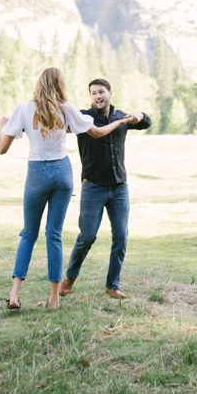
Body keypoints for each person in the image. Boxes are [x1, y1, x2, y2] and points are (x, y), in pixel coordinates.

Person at [0, 67, 130, 310]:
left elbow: (1, 148)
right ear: (60, 85)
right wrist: (120, 121)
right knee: (54, 234)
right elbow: (98, 132)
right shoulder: (66, 108)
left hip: (37, 172)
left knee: (29, 234)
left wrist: (2, 126)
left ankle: (14, 294)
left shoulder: (24, 109)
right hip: (62, 173)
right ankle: (54, 298)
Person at [60, 78, 151, 299]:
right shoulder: (83, 118)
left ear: (110, 93)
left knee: (121, 236)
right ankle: (69, 277)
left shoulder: (121, 117)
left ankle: (112, 285)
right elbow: (61, 124)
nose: (98, 96)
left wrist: (139, 115)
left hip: (119, 187)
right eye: (93, 93)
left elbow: (146, 122)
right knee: (87, 236)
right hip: (93, 187)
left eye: (101, 92)